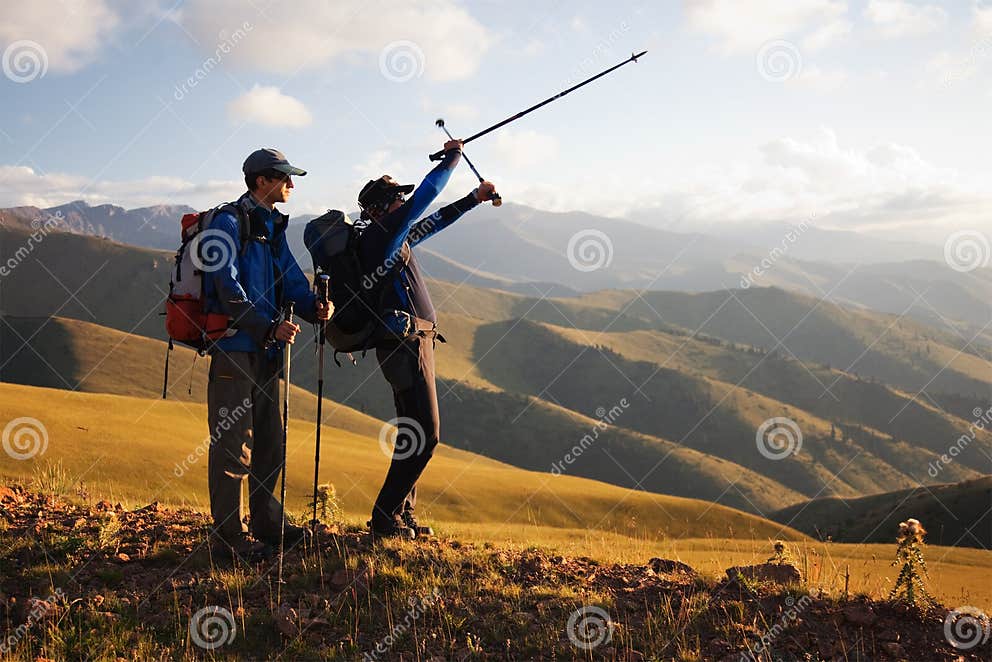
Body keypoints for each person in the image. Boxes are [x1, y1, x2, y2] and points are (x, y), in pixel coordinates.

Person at [358, 139, 499, 539]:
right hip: (405, 344)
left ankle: (401, 513)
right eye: (396, 200)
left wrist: (473, 199)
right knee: (428, 432)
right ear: (381, 209)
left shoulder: (388, 238)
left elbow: (431, 222)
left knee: (412, 431)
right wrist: (453, 158)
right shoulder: (383, 235)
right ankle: (384, 517)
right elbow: (426, 196)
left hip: (408, 342)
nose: (403, 203)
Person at [204, 148, 332, 560]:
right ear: (261, 180)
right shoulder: (228, 222)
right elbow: (227, 287)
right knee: (233, 444)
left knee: (270, 442)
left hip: (267, 351)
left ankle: (267, 525)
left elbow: (291, 279)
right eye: (284, 177)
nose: (291, 184)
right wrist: (265, 326)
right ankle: (228, 540)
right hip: (235, 349)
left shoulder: (271, 226)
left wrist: (315, 307)